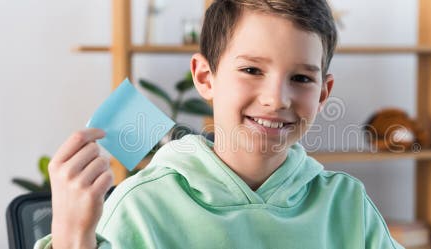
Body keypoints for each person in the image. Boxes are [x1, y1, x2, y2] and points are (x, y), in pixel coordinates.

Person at [36, 0, 403, 248]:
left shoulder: (347, 205)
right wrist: (71, 237)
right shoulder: (142, 207)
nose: (277, 99)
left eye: (302, 78)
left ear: (323, 93)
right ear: (205, 77)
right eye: (252, 70)